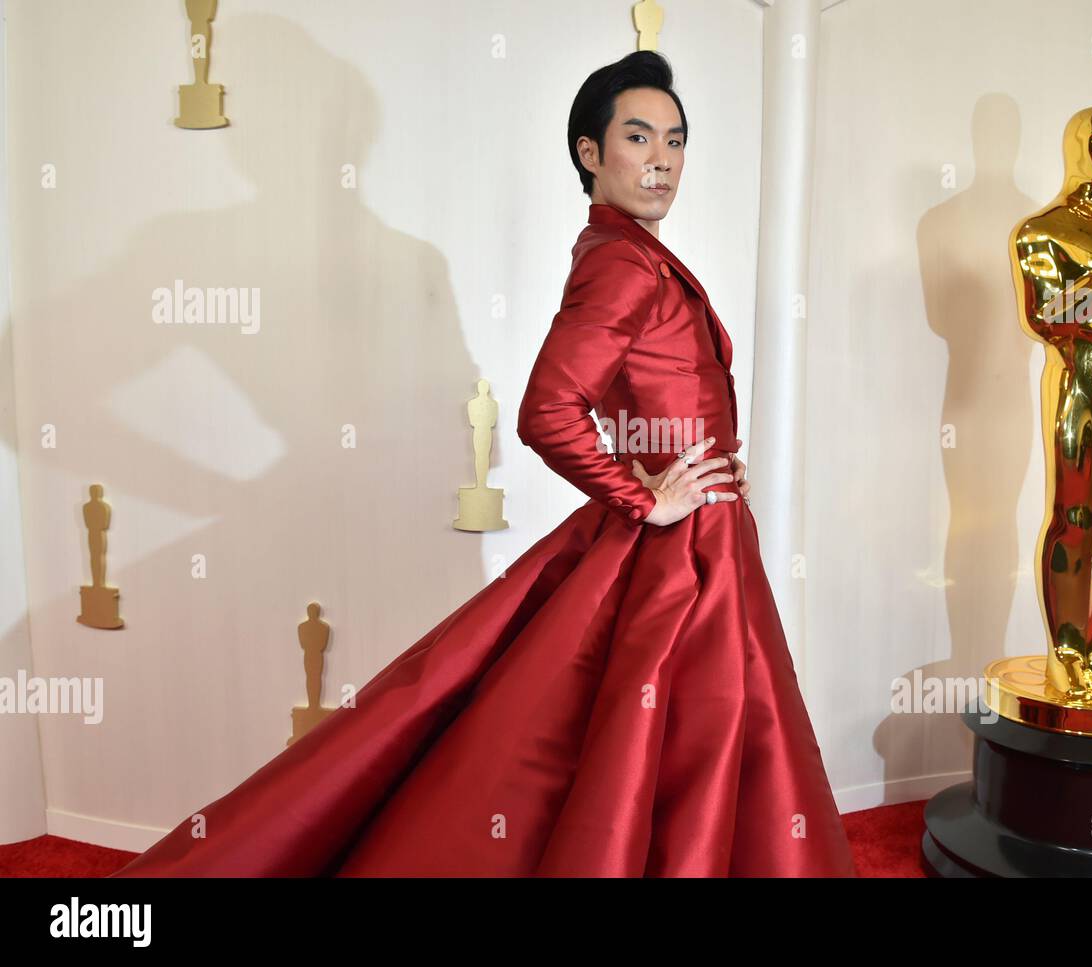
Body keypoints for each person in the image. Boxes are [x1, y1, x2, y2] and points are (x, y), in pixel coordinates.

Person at [112, 50, 857, 877]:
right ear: (589, 152)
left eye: (676, 141)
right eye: (638, 137)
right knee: (682, 747)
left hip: (704, 540)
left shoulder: (632, 255)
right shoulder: (620, 264)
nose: (663, 160)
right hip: (681, 552)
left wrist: (684, 477)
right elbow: (548, 411)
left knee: (657, 747)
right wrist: (647, 500)